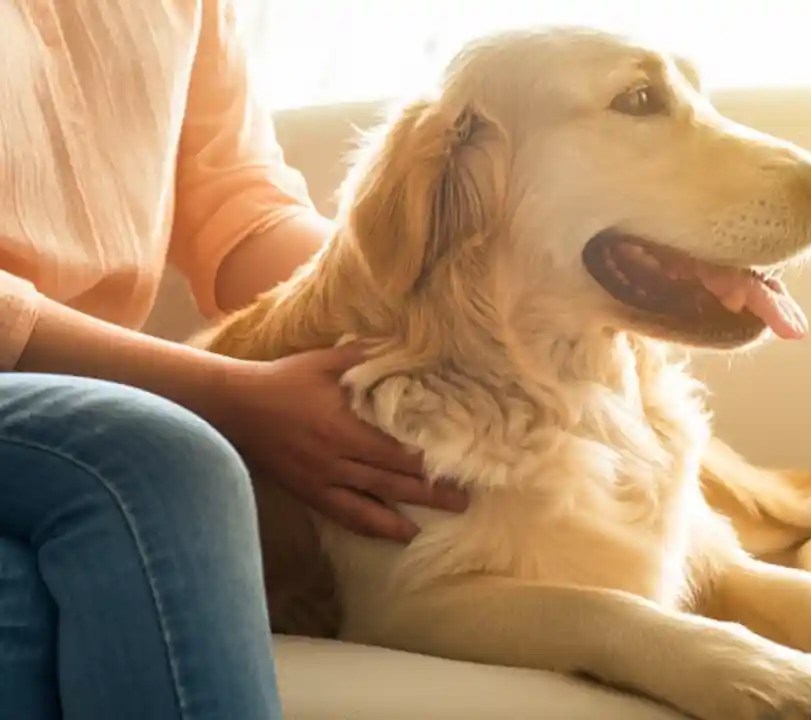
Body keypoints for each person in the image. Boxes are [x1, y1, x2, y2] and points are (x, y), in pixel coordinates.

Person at [0, 2, 467, 718]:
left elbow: (243, 211)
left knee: (29, 610)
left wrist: (433, 303)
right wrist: (225, 394)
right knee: (164, 460)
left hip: (77, 429)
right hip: (95, 424)